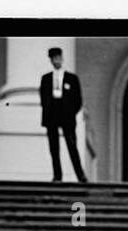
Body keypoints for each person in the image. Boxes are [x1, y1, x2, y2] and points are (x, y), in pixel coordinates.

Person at [40, 47, 86, 183]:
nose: (57, 61)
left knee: (72, 146)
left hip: (67, 115)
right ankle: (57, 176)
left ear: (62, 58)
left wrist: (71, 112)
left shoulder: (72, 78)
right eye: (54, 58)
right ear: (51, 60)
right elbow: (43, 97)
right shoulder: (46, 78)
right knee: (54, 147)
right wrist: (48, 109)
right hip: (52, 114)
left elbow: (78, 99)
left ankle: (80, 175)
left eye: (58, 58)